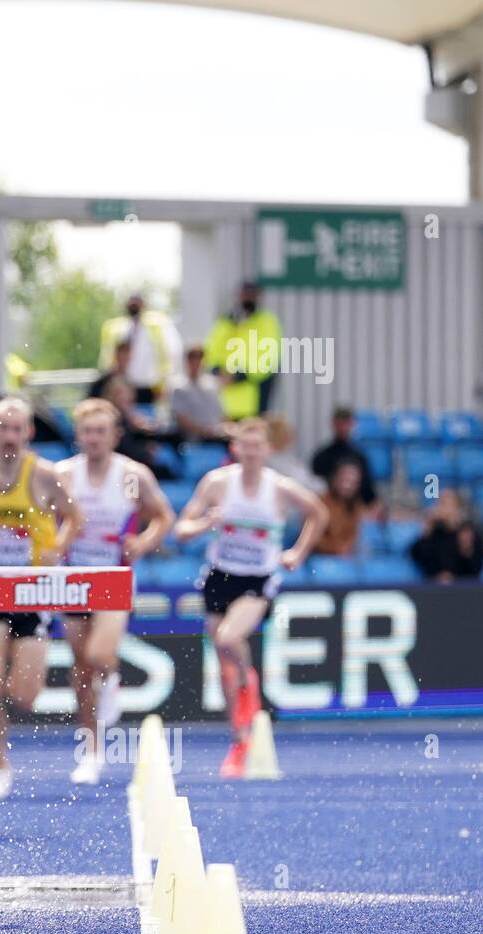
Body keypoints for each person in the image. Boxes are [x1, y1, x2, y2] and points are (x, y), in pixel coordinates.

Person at [174, 418, 327, 778]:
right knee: (223, 665)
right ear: (236, 449)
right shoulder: (216, 484)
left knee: (230, 638)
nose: (253, 453)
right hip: (219, 576)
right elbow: (181, 530)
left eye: (259, 447)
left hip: (257, 580)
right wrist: (206, 524)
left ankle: (249, 678)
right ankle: (238, 740)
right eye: (246, 446)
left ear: (268, 450)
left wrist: (297, 553)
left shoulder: (279, 488)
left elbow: (318, 512)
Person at [56, 399, 174, 785]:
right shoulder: (63, 474)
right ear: (79, 435)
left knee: (99, 654)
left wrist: (142, 541)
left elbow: (163, 515)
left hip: (114, 577)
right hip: (73, 578)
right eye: (87, 431)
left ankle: (113, 678)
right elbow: (46, 518)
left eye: (101, 432)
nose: (93, 438)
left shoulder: (131, 475)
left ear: (115, 436)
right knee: (80, 667)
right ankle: (91, 750)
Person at [0, 396, 80, 799]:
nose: (10, 436)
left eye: (18, 429)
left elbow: (74, 518)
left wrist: (58, 546)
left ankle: (4, 746)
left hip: (33, 593)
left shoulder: (45, 475)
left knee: (24, 696)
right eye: (3, 428)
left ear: (29, 432)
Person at [202, 281, 282, 420]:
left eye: (250, 295)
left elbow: (268, 357)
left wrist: (239, 375)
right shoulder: (225, 322)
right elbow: (211, 350)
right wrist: (216, 370)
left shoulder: (266, 321)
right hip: (224, 399)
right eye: (243, 294)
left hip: (253, 397)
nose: (246, 298)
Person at [99, 294, 182, 404]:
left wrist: (164, 382)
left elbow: (172, 354)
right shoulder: (118, 328)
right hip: (123, 385)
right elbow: (108, 355)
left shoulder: (156, 327)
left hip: (148, 385)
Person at [310, 406, 378, 507]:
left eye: (346, 423)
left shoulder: (360, 456)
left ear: (352, 424)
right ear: (333, 424)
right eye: (340, 423)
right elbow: (315, 487)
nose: (343, 427)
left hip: (354, 508)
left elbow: (367, 490)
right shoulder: (321, 457)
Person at [410, 490, 483, 582]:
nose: (443, 508)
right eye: (441, 503)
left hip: (464, 588)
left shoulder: (468, 534)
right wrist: (426, 530)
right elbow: (418, 558)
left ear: (457, 508)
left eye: (447, 504)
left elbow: (474, 570)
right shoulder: (434, 534)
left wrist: (466, 548)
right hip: (433, 588)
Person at [169, 345, 231, 442]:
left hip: (216, 439)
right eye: (192, 358)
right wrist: (203, 431)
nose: (196, 362)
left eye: (199, 358)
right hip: (190, 441)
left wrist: (224, 429)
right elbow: (180, 417)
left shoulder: (213, 384)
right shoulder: (177, 385)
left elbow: (222, 414)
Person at [314, 461, 365, 557]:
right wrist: (335, 549)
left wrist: (344, 548)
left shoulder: (356, 507)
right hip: (319, 558)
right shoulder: (318, 503)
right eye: (344, 480)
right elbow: (312, 538)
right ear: (334, 479)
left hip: (342, 559)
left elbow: (352, 535)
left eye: (353, 482)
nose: (347, 486)